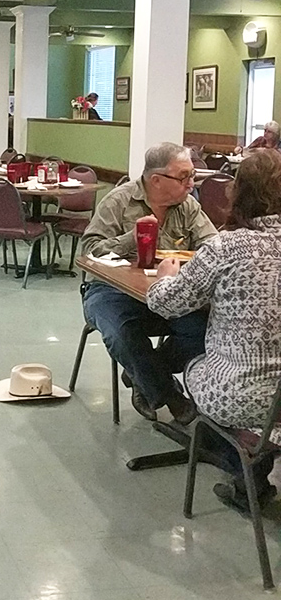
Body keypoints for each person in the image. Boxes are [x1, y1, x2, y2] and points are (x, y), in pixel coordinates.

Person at [147, 150, 281, 513]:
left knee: (196, 352)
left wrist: (164, 279)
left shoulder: (227, 247)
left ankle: (242, 474)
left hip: (239, 395)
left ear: (239, 192)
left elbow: (167, 305)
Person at [81, 142, 217, 423]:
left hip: (169, 292)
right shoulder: (120, 201)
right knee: (121, 332)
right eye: (184, 177)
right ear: (156, 180)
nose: (191, 184)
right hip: (111, 289)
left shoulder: (188, 206)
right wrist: (134, 236)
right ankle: (170, 395)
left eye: (193, 176)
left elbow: (212, 246)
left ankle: (140, 374)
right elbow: (89, 251)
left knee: (205, 330)